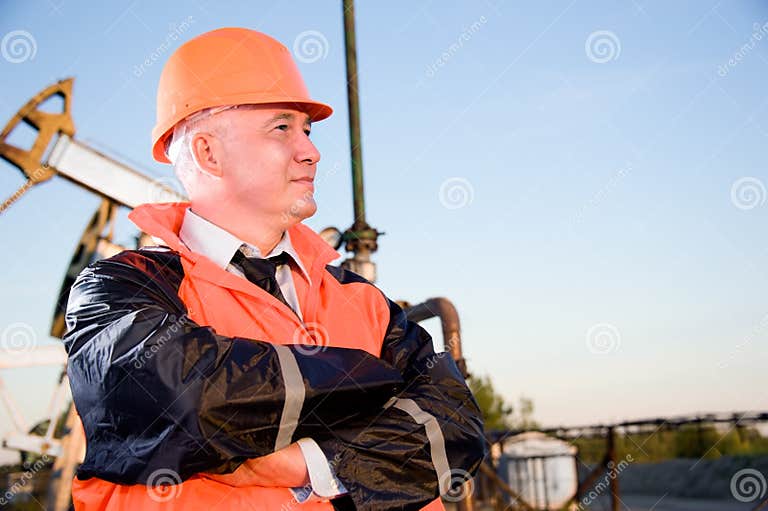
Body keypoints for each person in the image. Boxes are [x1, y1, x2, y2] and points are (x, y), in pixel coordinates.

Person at [63, 27, 487, 511]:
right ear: (208, 152)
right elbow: (187, 402)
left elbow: (458, 427)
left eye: (307, 130)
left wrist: (312, 461)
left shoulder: (361, 299)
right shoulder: (119, 289)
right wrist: (382, 390)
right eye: (282, 127)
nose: (311, 151)